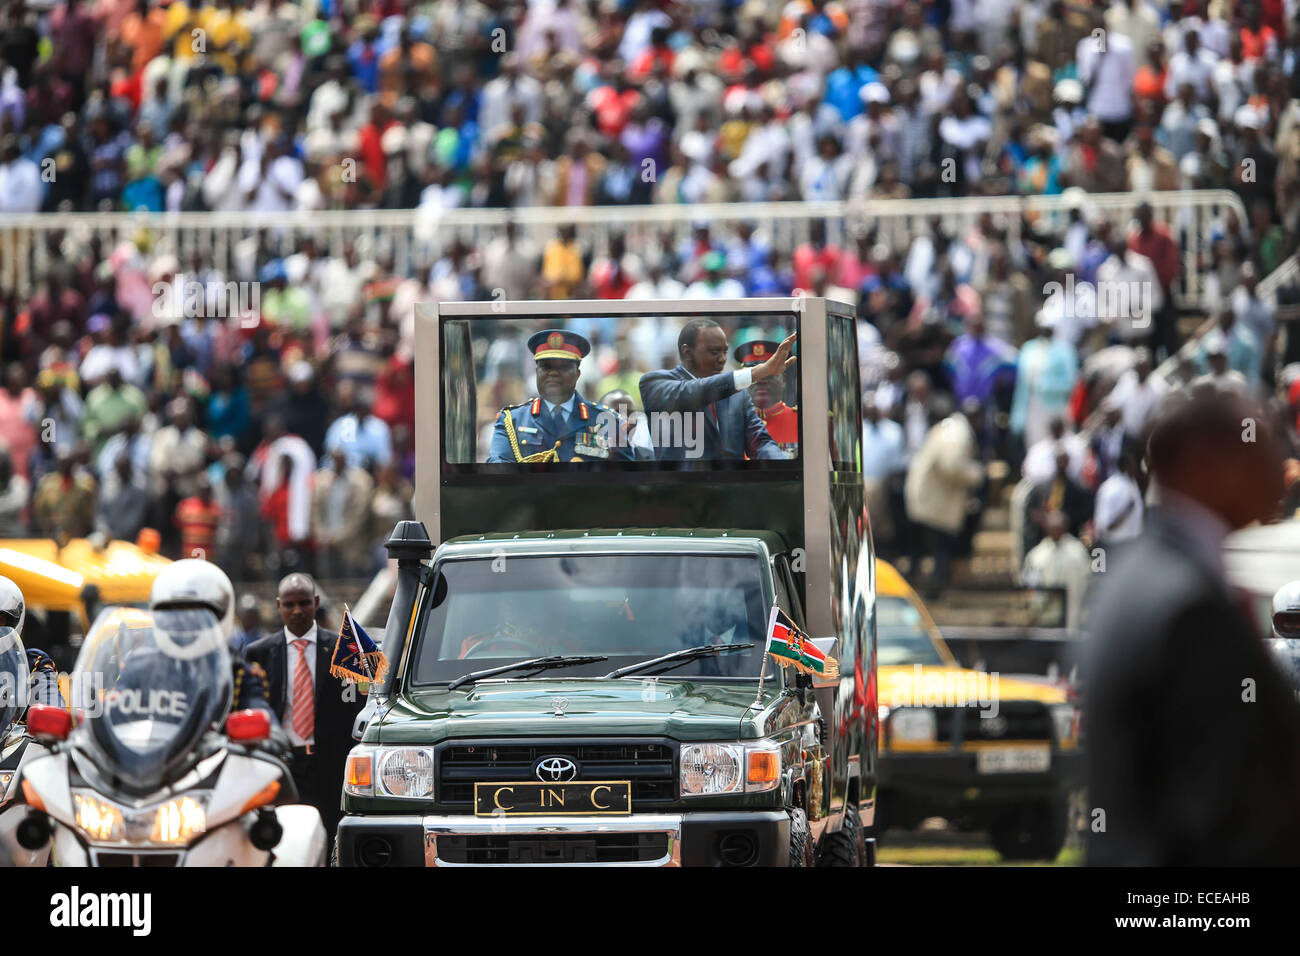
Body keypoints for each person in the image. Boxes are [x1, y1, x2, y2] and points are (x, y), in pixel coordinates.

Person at [1085, 391, 1300, 865]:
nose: (1278, 469)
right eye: (1261, 449)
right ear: (1205, 466)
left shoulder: (1141, 575)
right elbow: (1220, 800)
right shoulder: (1187, 604)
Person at [245, 573, 364, 844]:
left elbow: (365, 702)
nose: (297, 611)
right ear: (278, 606)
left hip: (330, 766)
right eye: (289, 604)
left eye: (303, 603)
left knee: (331, 838)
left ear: (316, 602)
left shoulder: (344, 647)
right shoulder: (259, 653)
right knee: (284, 840)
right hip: (282, 766)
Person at [640, 319, 793, 461]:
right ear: (687, 352)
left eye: (725, 352)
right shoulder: (654, 384)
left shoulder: (737, 395)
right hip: (683, 488)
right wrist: (756, 373)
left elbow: (760, 443)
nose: (722, 359)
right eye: (714, 352)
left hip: (732, 488)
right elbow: (692, 391)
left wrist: (784, 465)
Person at [148, 559, 275, 723]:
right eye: (175, 614)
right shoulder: (142, 666)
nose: (184, 621)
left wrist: (272, 733)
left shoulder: (238, 672)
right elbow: (114, 707)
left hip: (219, 748)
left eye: (198, 614)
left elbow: (259, 709)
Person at [487, 330, 635, 463]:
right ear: (536, 372)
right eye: (546, 367)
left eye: (563, 367)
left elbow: (625, 479)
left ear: (577, 374)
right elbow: (499, 473)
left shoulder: (609, 421)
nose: (553, 373)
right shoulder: (511, 421)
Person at [903, 397, 984, 596]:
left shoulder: (953, 428)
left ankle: (936, 585)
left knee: (936, 544)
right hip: (934, 499)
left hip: (932, 495)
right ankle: (935, 588)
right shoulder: (957, 433)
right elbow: (951, 466)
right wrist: (976, 474)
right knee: (940, 545)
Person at [1021, 510, 1093, 630]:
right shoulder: (1037, 555)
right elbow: (1031, 584)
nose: (1056, 531)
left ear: (1065, 527)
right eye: (1053, 527)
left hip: (1073, 612)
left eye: (1058, 527)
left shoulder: (1077, 552)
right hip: (1046, 618)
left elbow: (1087, 579)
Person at [734, 339, 799, 457]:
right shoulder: (728, 425)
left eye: (769, 374)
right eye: (754, 376)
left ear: (783, 380)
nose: (762, 381)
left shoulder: (801, 422)